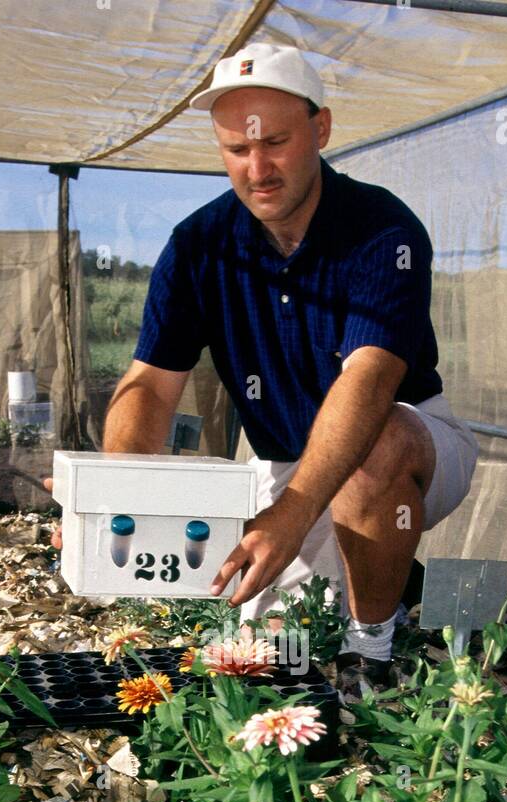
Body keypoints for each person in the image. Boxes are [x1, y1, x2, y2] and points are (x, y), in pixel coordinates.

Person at [44, 42, 478, 693]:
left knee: (372, 453)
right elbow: (149, 388)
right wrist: (116, 492)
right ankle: (383, 579)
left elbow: (368, 382)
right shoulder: (197, 246)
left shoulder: (384, 231)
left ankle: (374, 652)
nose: (257, 168)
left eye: (275, 142)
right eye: (236, 150)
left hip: (411, 440)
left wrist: (294, 511)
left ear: (321, 129)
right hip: (280, 460)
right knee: (264, 653)